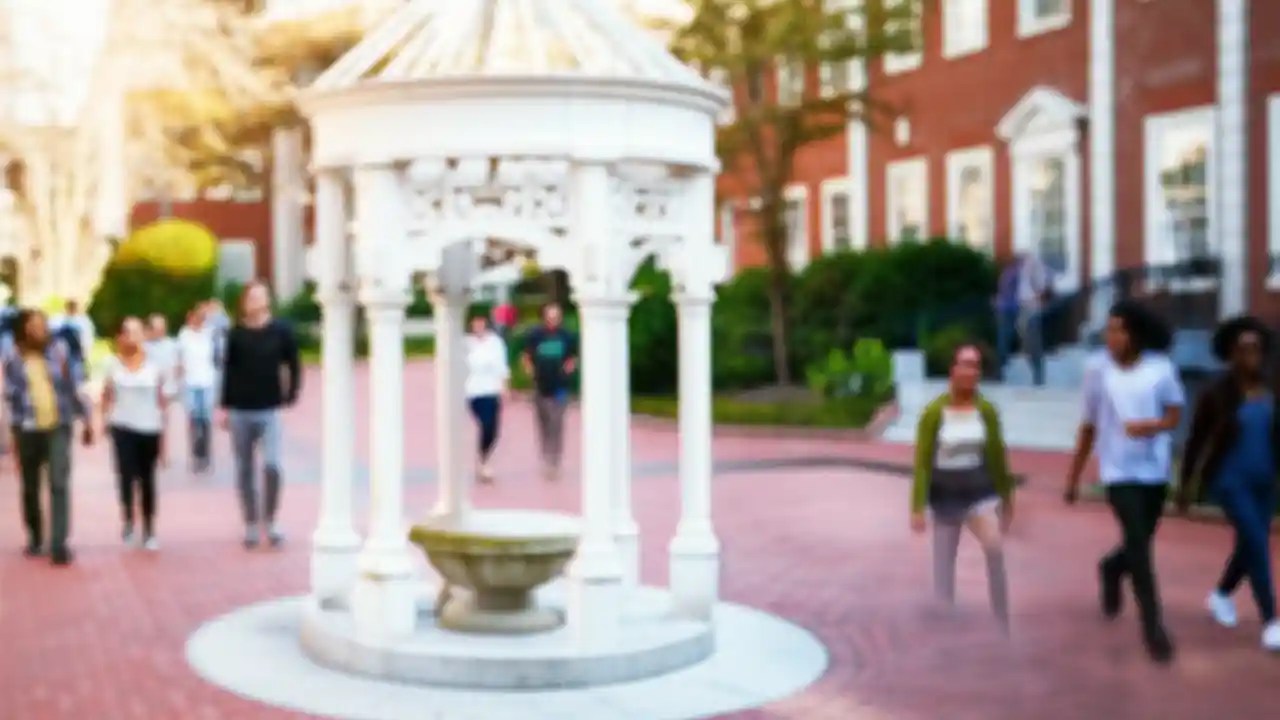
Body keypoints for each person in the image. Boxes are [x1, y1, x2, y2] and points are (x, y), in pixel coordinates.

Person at [1065, 300, 1183, 663]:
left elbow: (1174, 414)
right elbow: (1088, 423)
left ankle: (1111, 568)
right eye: (1109, 328)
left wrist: (1153, 426)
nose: (1110, 336)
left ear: (1135, 334)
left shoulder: (1160, 368)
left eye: (1118, 329)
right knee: (1140, 548)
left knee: (1139, 540)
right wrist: (1073, 476)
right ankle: (1153, 626)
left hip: (1154, 469)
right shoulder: (1097, 369)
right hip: (1117, 471)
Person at [1178, 316, 1280, 652]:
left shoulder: (1272, 389)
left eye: (1255, 348)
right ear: (1230, 353)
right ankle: (1271, 621)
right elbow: (1195, 440)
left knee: (1249, 545)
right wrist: (1186, 485)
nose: (1250, 355)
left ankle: (1221, 595)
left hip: (1265, 482)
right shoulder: (1216, 393)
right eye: (1242, 349)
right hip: (1229, 480)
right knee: (1256, 541)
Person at [911, 344, 1014, 633]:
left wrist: (1007, 496)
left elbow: (997, 454)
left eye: (975, 366)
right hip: (945, 495)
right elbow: (922, 461)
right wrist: (917, 507)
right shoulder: (934, 412)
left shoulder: (986, 410)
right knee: (944, 565)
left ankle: (1002, 620)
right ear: (952, 371)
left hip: (979, 492)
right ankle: (944, 624)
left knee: (994, 547)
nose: (970, 372)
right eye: (964, 365)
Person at [2, 308, 92, 565]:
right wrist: (11, 431)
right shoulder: (13, 356)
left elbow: (71, 385)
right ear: (24, 329)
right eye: (34, 325)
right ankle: (35, 535)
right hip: (27, 428)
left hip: (58, 424)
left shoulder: (59, 350)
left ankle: (59, 544)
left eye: (43, 325)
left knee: (59, 482)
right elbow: (10, 394)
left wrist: (86, 417)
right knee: (30, 486)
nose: (40, 330)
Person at [219, 282, 301, 549]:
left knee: (273, 465)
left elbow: (293, 362)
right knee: (244, 469)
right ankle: (251, 523)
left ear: (268, 300)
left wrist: (291, 393)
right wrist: (225, 406)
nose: (255, 301)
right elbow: (228, 371)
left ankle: (272, 519)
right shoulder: (236, 334)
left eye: (260, 296)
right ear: (244, 302)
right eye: (251, 297)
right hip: (241, 410)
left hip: (269, 408)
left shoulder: (281, 331)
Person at [101, 316, 167, 551]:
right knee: (126, 476)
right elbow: (106, 394)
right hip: (122, 426)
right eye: (129, 332)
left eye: (138, 332)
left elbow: (162, 401)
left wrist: (164, 440)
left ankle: (149, 528)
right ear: (120, 337)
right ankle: (128, 518)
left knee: (147, 479)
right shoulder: (112, 364)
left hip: (149, 427)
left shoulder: (155, 364)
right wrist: (103, 420)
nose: (134, 337)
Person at [521, 303, 577, 480]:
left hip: (560, 387)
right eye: (550, 316)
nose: (553, 319)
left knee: (557, 422)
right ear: (545, 317)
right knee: (543, 423)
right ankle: (545, 455)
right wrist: (530, 369)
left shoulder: (566, 336)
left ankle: (554, 460)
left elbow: (573, 356)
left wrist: (570, 366)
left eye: (556, 316)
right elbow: (526, 356)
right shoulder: (536, 335)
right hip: (541, 386)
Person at [465, 313, 510, 483]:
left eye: (481, 323)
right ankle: (483, 462)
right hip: (473, 390)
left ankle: (484, 457)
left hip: (492, 389)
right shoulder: (466, 343)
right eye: (475, 323)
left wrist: (505, 386)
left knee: (493, 428)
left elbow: (502, 365)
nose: (478, 326)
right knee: (484, 423)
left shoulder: (495, 342)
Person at [176, 305, 218, 472]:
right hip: (190, 382)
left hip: (207, 381)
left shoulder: (209, 334)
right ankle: (195, 453)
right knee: (194, 419)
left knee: (206, 419)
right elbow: (179, 358)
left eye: (202, 317)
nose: (199, 321)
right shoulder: (184, 335)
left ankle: (205, 454)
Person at [1016, 251, 1052, 386]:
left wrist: (1037, 301)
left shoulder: (1036, 268)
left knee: (1033, 341)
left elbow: (1042, 287)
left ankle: (1038, 375)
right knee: (1024, 337)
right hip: (1024, 306)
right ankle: (1034, 369)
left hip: (1032, 307)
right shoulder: (1024, 269)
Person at [994, 258, 1022, 380]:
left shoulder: (1006, 274)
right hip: (1009, 309)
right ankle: (1002, 365)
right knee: (1006, 336)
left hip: (1004, 308)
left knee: (1004, 336)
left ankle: (1001, 366)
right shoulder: (1014, 274)